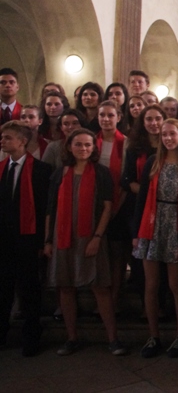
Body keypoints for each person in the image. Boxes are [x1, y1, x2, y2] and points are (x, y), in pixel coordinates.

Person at [44, 128, 126, 356]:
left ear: (94, 148)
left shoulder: (101, 173)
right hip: (63, 237)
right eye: (78, 144)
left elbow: (108, 207)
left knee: (100, 287)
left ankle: (113, 338)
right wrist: (48, 240)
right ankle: (72, 338)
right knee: (66, 287)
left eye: (88, 145)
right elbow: (51, 208)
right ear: (69, 147)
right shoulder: (60, 173)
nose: (83, 149)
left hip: (90, 237)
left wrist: (97, 237)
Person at [133, 119, 178, 360]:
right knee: (151, 285)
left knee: (176, 286)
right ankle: (153, 336)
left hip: (177, 226)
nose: (168, 138)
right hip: (151, 224)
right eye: (165, 134)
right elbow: (141, 200)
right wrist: (136, 233)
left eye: (173, 134)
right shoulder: (153, 162)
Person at [0, 122, 52, 357]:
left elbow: (44, 209)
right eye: (2, 137)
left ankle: (31, 337)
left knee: (30, 289)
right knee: (3, 289)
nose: (3, 141)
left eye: (8, 137)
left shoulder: (41, 170)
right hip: (4, 240)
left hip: (29, 239)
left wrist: (42, 242)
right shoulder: (1, 167)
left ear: (22, 141)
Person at [96, 101, 129, 317]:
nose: (106, 119)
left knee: (117, 256)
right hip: (95, 205)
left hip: (120, 205)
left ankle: (115, 297)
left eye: (110, 115)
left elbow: (127, 177)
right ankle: (101, 300)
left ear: (118, 117)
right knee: (100, 255)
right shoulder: (90, 141)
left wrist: (116, 206)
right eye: (102, 115)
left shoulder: (126, 143)